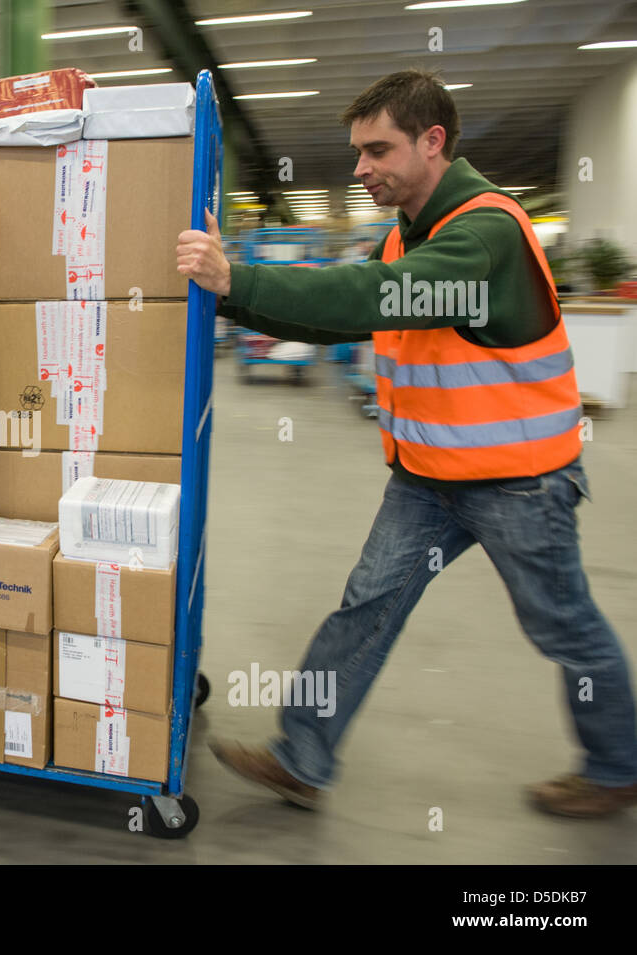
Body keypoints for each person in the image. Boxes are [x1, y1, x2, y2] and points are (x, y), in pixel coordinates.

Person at [175, 69, 637, 818]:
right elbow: (346, 319)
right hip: (428, 478)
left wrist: (241, 279)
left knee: (563, 624)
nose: (361, 169)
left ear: (433, 142)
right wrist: (232, 296)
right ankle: (303, 757)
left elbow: (374, 297)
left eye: (377, 150)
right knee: (367, 605)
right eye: (357, 153)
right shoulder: (403, 234)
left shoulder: (486, 234)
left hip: (519, 482)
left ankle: (618, 764)